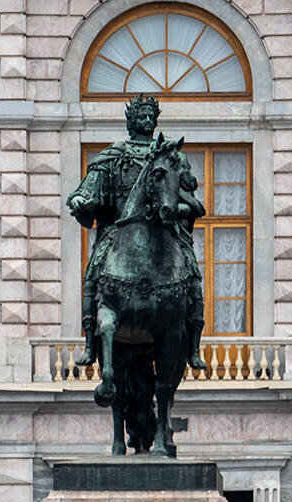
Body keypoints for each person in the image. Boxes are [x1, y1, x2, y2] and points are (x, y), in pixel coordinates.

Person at [66, 94, 207, 369]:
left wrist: (175, 211)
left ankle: (193, 346)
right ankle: (90, 345)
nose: (146, 119)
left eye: (150, 115)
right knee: (93, 272)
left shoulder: (172, 157)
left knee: (192, 274)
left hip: (166, 229)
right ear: (130, 120)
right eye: (141, 115)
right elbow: (83, 192)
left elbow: (190, 202)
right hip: (118, 232)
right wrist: (80, 201)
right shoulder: (112, 156)